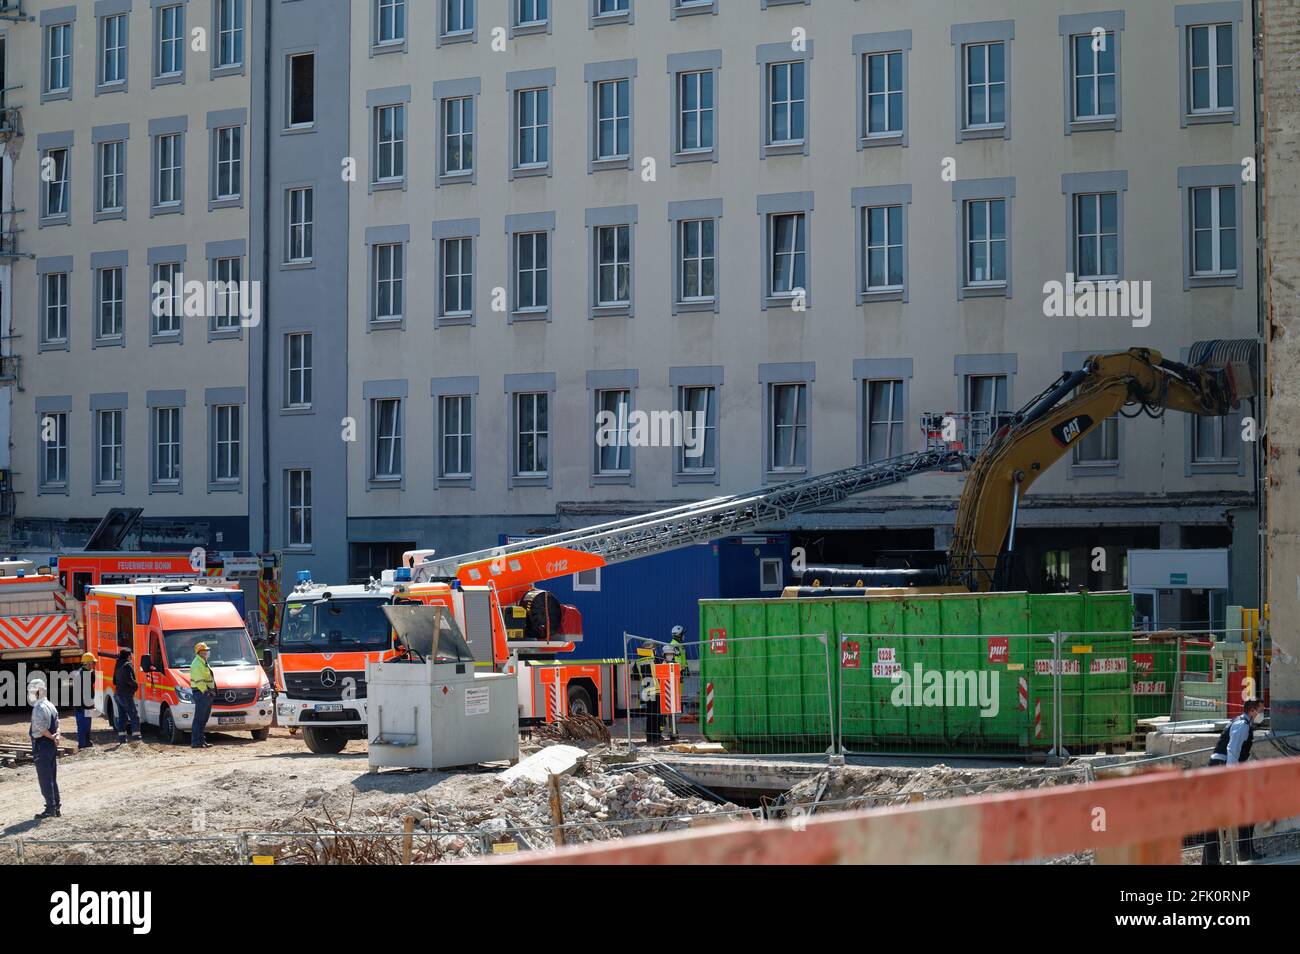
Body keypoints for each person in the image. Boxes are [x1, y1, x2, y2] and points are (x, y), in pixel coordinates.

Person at [1203, 698, 1264, 864]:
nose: (1261, 714)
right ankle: (1213, 860)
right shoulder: (1242, 725)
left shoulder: (1241, 723)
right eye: (1260, 710)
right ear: (1252, 710)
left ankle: (1243, 852)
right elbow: (1232, 750)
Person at [28, 678, 61, 820]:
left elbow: (41, 728)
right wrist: (56, 736)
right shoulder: (51, 705)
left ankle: (50, 808)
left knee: (45, 778)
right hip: (51, 745)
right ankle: (56, 805)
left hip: (42, 744)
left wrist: (52, 737)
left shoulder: (38, 708)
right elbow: (58, 724)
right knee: (52, 776)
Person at [189, 641, 216, 748]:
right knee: (199, 719)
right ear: (199, 652)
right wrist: (206, 691)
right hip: (201, 693)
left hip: (206, 693)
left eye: (207, 651)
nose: (207, 653)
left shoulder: (203, 662)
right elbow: (199, 680)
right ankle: (196, 742)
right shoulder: (196, 664)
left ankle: (201, 741)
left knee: (203, 719)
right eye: (205, 651)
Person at [112, 648, 141, 743]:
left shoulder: (118, 664)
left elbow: (114, 681)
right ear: (128, 656)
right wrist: (136, 685)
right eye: (131, 655)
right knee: (134, 715)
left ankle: (122, 738)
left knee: (122, 717)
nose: (132, 657)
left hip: (118, 694)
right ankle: (136, 736)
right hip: (126, 695)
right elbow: (130, 679)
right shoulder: (127, 665)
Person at [73, 652, 96, 749]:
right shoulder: (84, 674)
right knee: (83, 725)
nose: (94, 665)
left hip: (83, 705)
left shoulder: (83, 672)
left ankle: (86, 742)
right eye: (93, 663)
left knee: (86, 725)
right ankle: (82, 744)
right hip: (83, 705)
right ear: (88, 663)